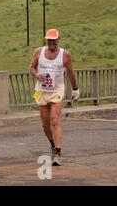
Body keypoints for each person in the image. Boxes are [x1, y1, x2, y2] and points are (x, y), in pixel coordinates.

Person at [29, 28, 80, 166]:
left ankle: (58, 153)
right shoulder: (38, 52)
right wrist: (36, 75)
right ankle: (52, 144)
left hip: (57, 91)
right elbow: (31, 68)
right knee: (45, 124)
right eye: (49, 40)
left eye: (54, 40)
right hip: (41, 91)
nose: (51, 42)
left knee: (54, 120)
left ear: (58, 40)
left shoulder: (65, 55)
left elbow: (70, 73)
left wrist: (75, 89)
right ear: (46, 40)